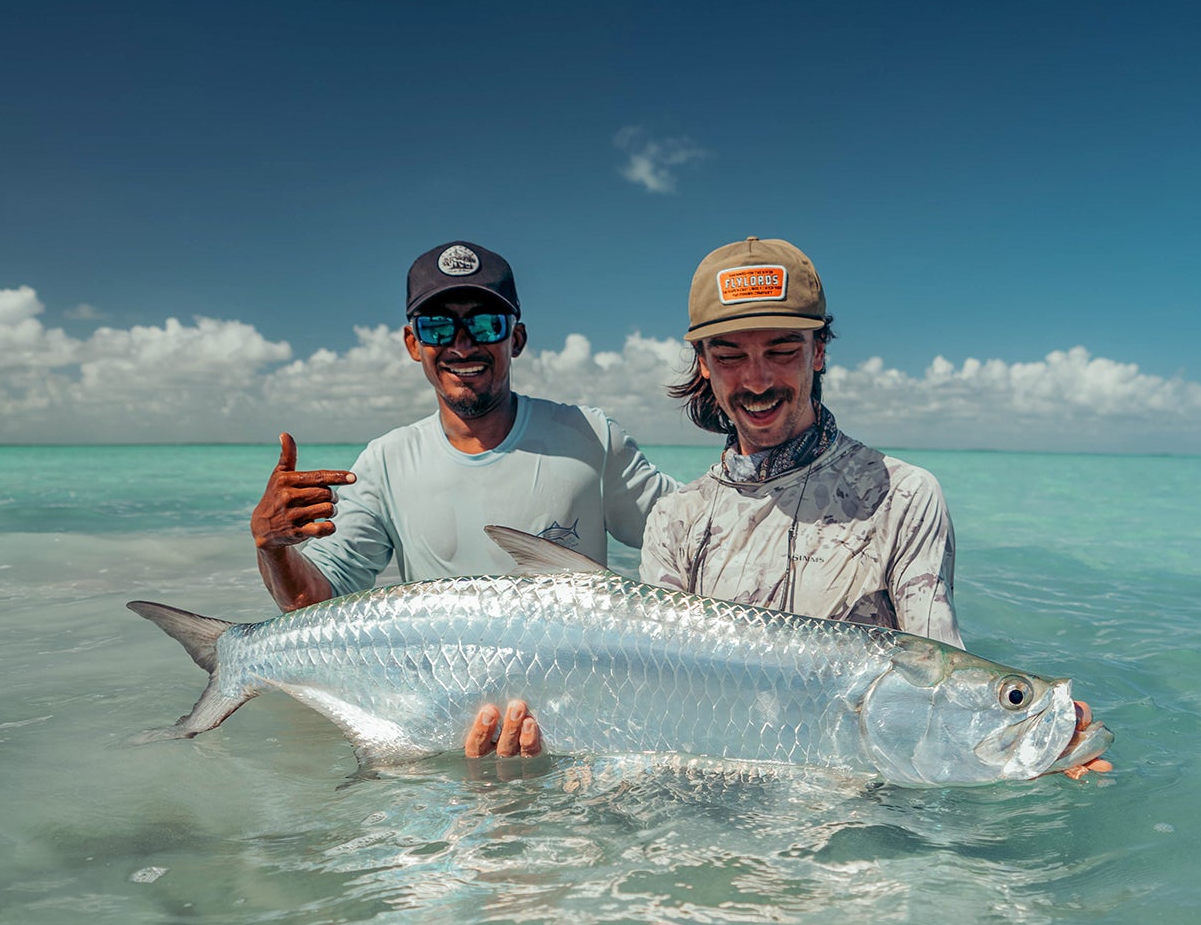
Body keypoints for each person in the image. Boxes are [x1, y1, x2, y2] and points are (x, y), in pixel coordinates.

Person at [249, 240, 675, 757]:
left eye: (486, 324)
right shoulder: (385, 462)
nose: (462, 344)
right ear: (412, 343)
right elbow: (315, 609)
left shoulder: (591, 438)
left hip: (579, 736)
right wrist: (272, 546)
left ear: (516, 338)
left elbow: (690, 534)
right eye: (437, 326)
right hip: (445, 740)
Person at [637, 236, 964, 647]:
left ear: (818, 352)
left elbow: (940, 676)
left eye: (783, 351)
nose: (757, 381)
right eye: (730, 357)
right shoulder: (674, 520)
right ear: (703, 363)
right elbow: (660, 675)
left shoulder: (902, 497)